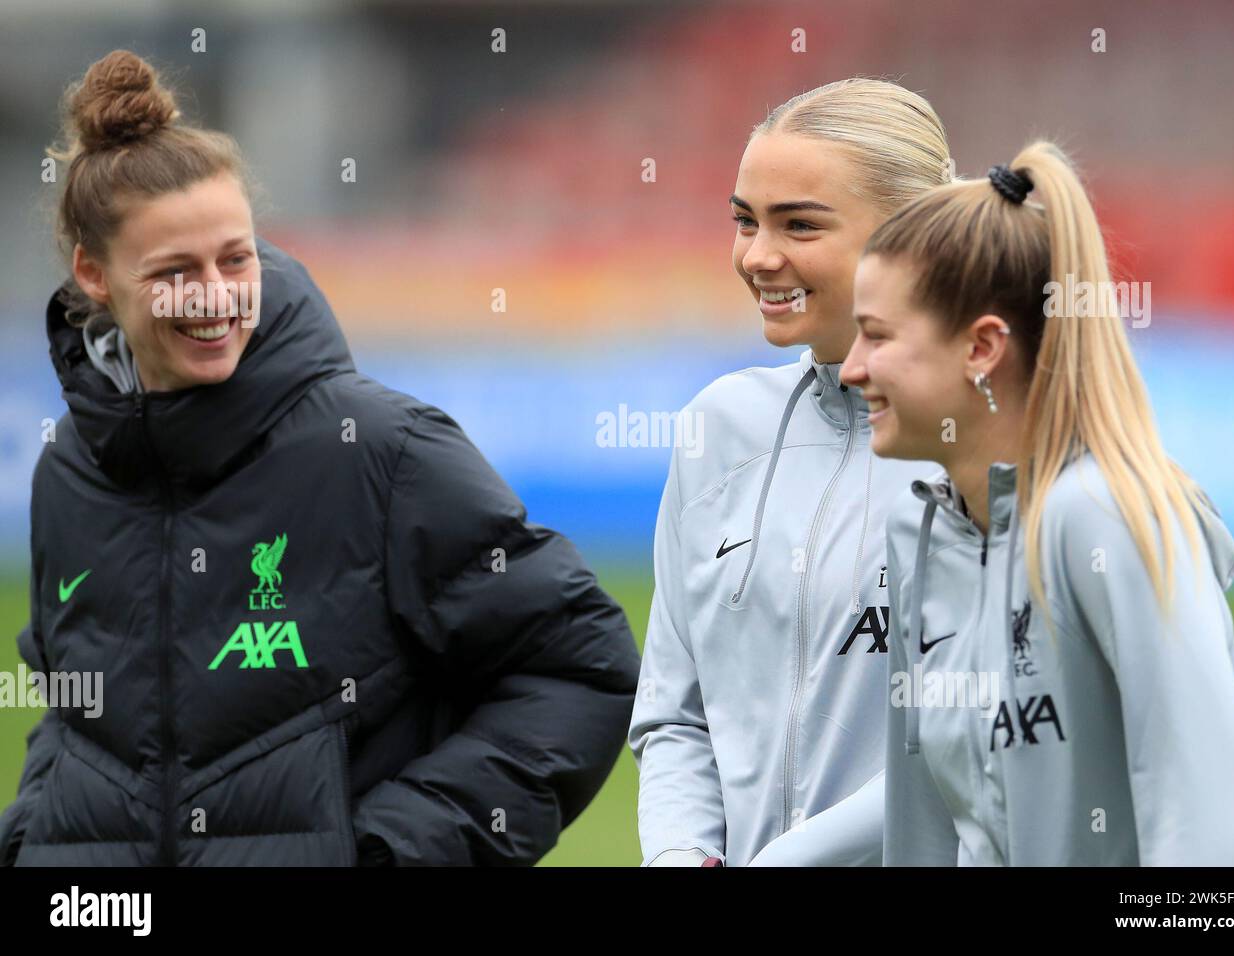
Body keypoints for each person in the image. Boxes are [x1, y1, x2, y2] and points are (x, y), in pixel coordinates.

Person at [0, 49, 640, 867]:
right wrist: (34, 843)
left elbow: (580, 668)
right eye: (175, 271)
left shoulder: (382, 448)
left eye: (236, 258)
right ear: (93, 274)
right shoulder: (69, 469)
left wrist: (395, 851)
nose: (216, 294)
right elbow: (72, 711)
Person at [840, 141, 1234, 865]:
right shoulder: (919, 531)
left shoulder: (1101, 515)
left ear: (982, 348)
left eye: (876, 336)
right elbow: (921, 832)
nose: (851, 368)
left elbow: (1211, 843)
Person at [628, 77, 950, 866]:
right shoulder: (717, 428)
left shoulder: (979, 449)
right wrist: (679, 856)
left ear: (912, 233)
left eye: (799, 224)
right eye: (745, 220)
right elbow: (675, 714)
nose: (758, 256)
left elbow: (974, 743)